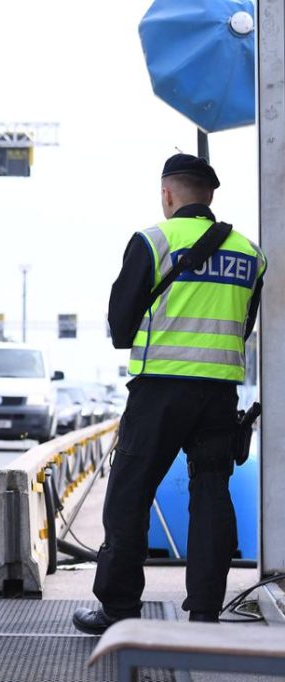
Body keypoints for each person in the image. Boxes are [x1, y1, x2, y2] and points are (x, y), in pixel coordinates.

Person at [73, 154, 266, 634]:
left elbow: (120, 327)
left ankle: (118, 608)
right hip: (219, 393)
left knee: (129, 494)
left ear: (167, 194)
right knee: (211, 492)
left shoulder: (153, 241)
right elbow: (243, 327)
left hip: (159, 390)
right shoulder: (250, 253)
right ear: (211, 196)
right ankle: (204, 610)